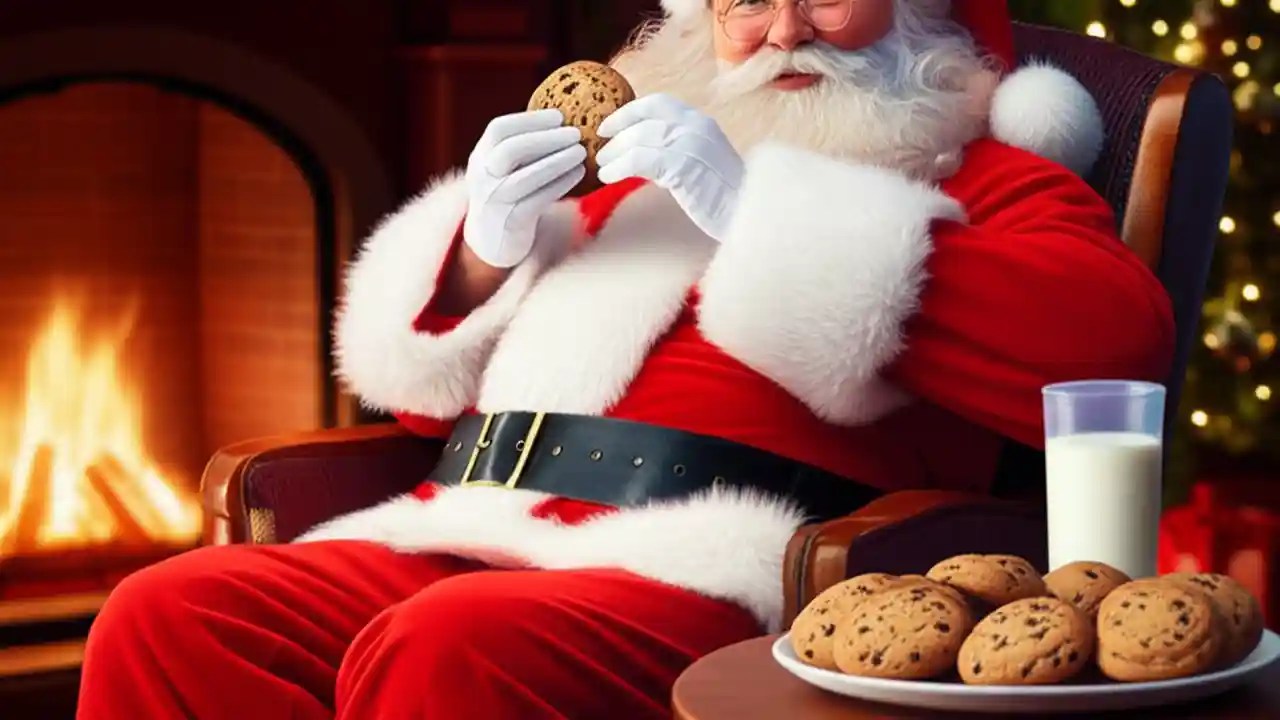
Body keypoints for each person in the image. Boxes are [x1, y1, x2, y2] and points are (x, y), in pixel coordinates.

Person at [78, 1, 1175, 718]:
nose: (785, 29)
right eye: (745, 1)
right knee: (168, 612)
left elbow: (1112, 346)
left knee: (449, 646)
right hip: (468, 523)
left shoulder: (981, 178)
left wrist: (760, 217)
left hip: (718, 566)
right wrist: (481, 252)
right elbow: (419, 410)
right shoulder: (628, 183)